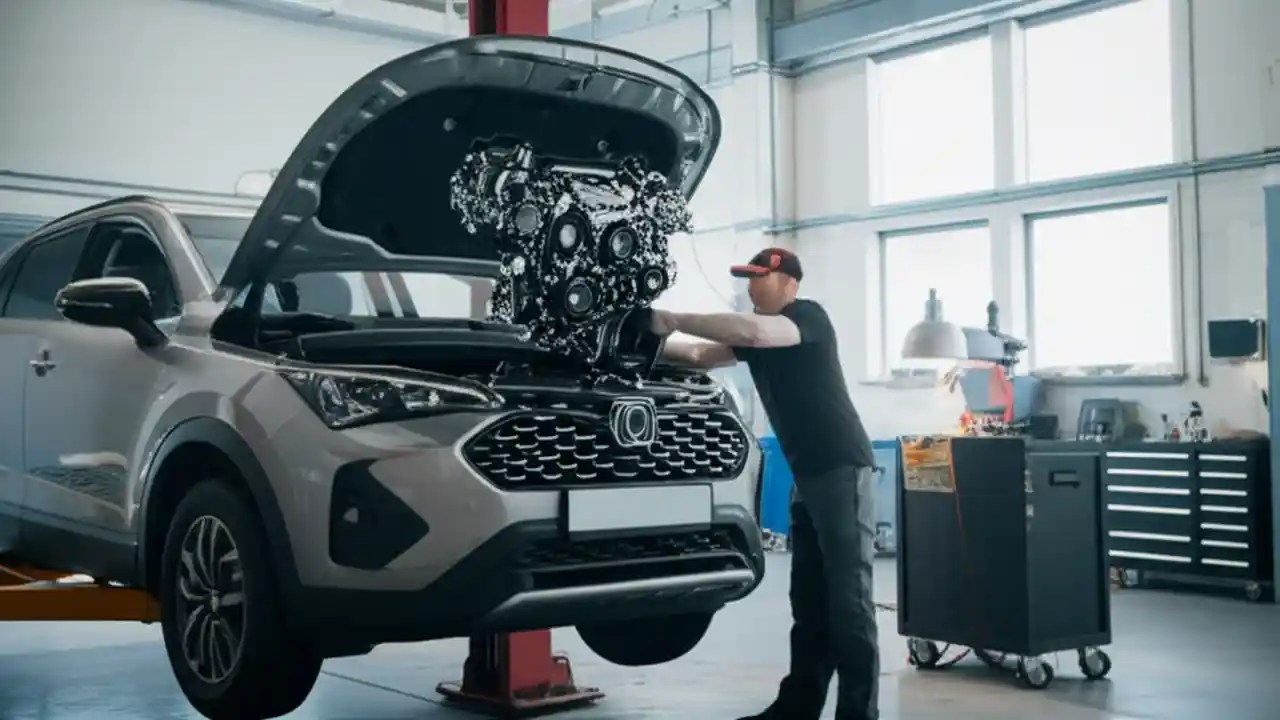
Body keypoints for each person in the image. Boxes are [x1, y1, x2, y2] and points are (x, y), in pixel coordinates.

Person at [648, 247, 879, 720]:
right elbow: (696, 354)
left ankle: (859, 714)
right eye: (748, 279)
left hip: (842, 471)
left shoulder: (806, 317)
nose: (751, 287)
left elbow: (751, 329)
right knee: (809, 602)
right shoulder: (756, 336)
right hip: (807, 477)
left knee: (849, 602)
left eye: (760, 278)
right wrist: (636, 336)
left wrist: (670, 316)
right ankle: (798, 707)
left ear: (789, 283)